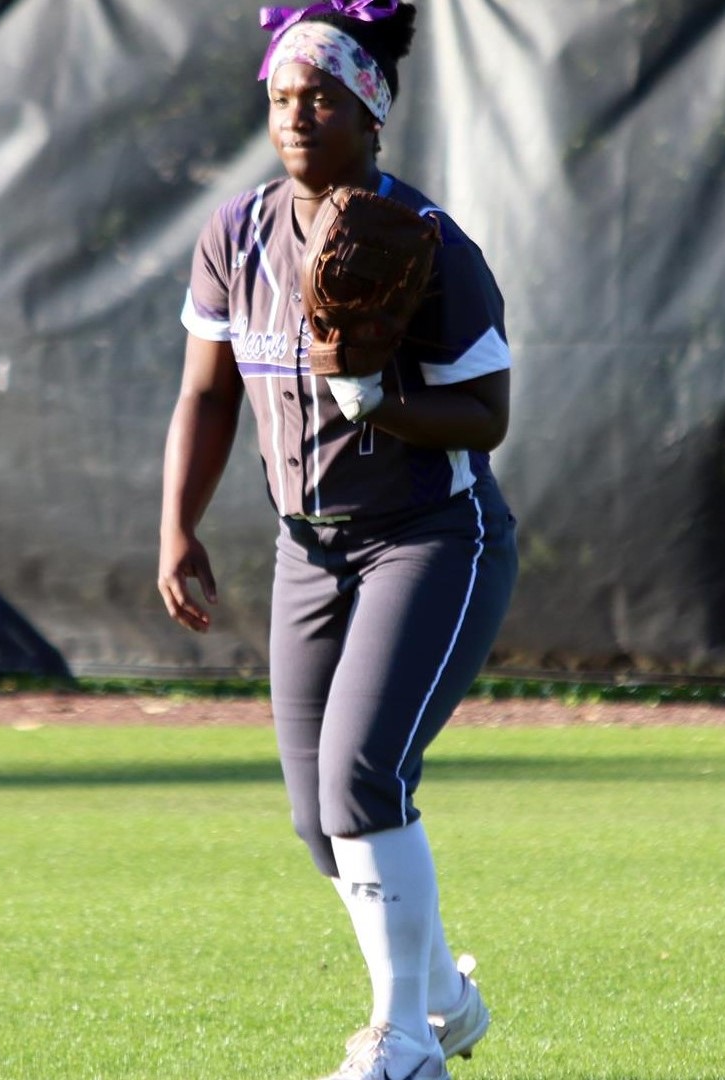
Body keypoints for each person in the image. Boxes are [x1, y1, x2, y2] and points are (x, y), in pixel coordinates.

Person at [156, 3, 517, 1077]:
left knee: (362, 776)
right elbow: (207, 394)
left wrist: (378, 401)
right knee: (321, 823)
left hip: (431, 537)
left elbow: (488, 416)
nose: (297, 115)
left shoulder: (427, 242)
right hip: (306, 550)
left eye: (321, 97)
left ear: (370, 112)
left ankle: (403, 1040)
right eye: (282, 97)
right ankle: (444, 995)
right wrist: (177, 526)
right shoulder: (235, 235)